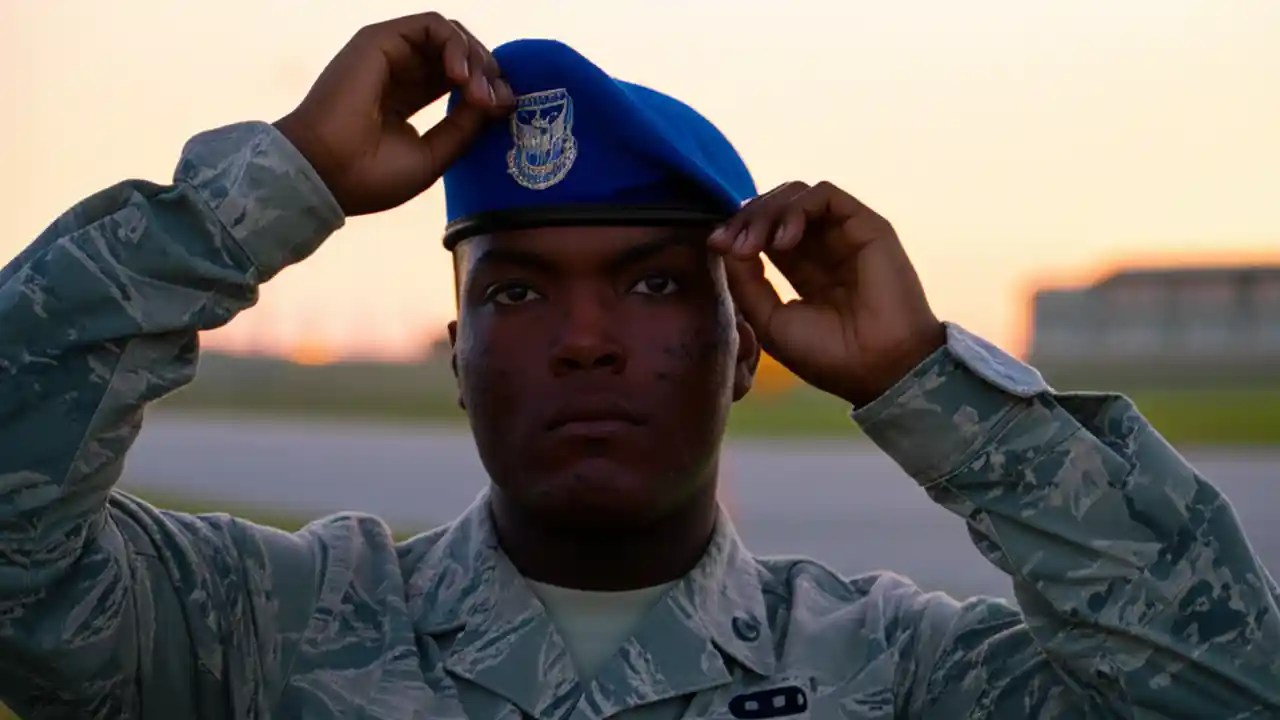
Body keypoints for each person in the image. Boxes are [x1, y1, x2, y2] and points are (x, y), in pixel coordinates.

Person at [0, 11, 1276, 719]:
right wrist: (267, 186)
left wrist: (927, 382)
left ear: (744, 354)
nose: (587, 337)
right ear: (458, 357)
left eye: (660, 286)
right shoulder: (253, 636)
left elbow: (1220, 691)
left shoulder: (904, 675)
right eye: (516, 289)